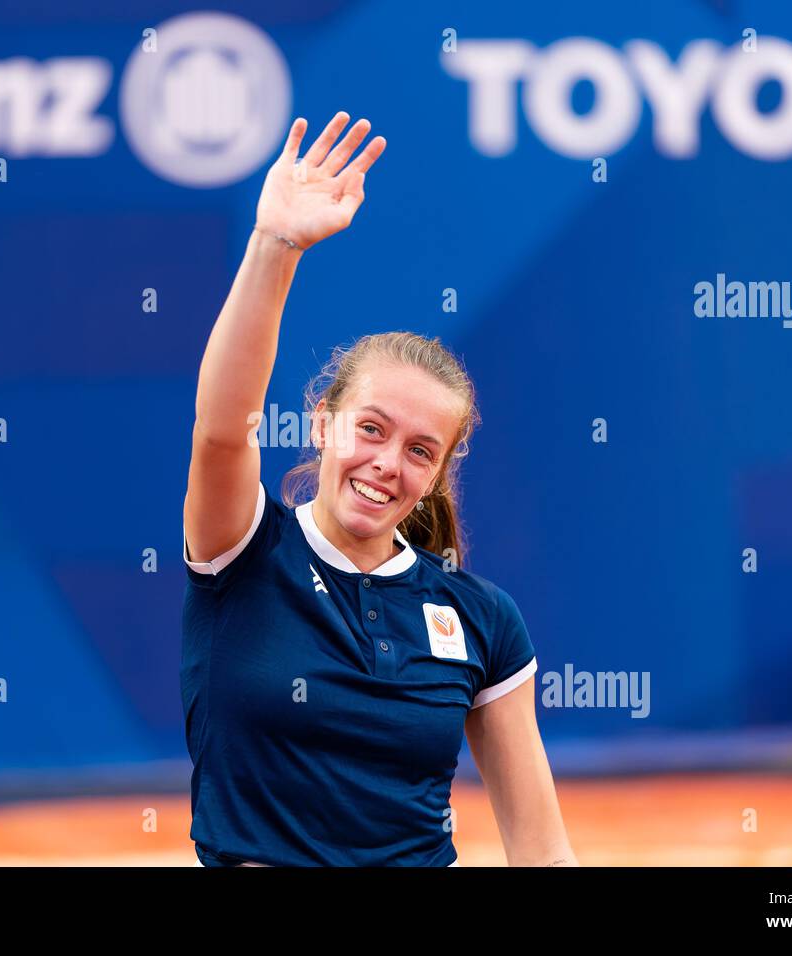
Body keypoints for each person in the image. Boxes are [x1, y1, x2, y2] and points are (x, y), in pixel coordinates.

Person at [182, 111, 578, 866]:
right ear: (322, 422)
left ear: (438, 474)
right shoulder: (242, 552)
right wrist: (274, 246)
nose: (387, 463)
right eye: (371, 429)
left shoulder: (482, 616)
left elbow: (541, 848)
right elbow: (221, 431)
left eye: (420, 450)